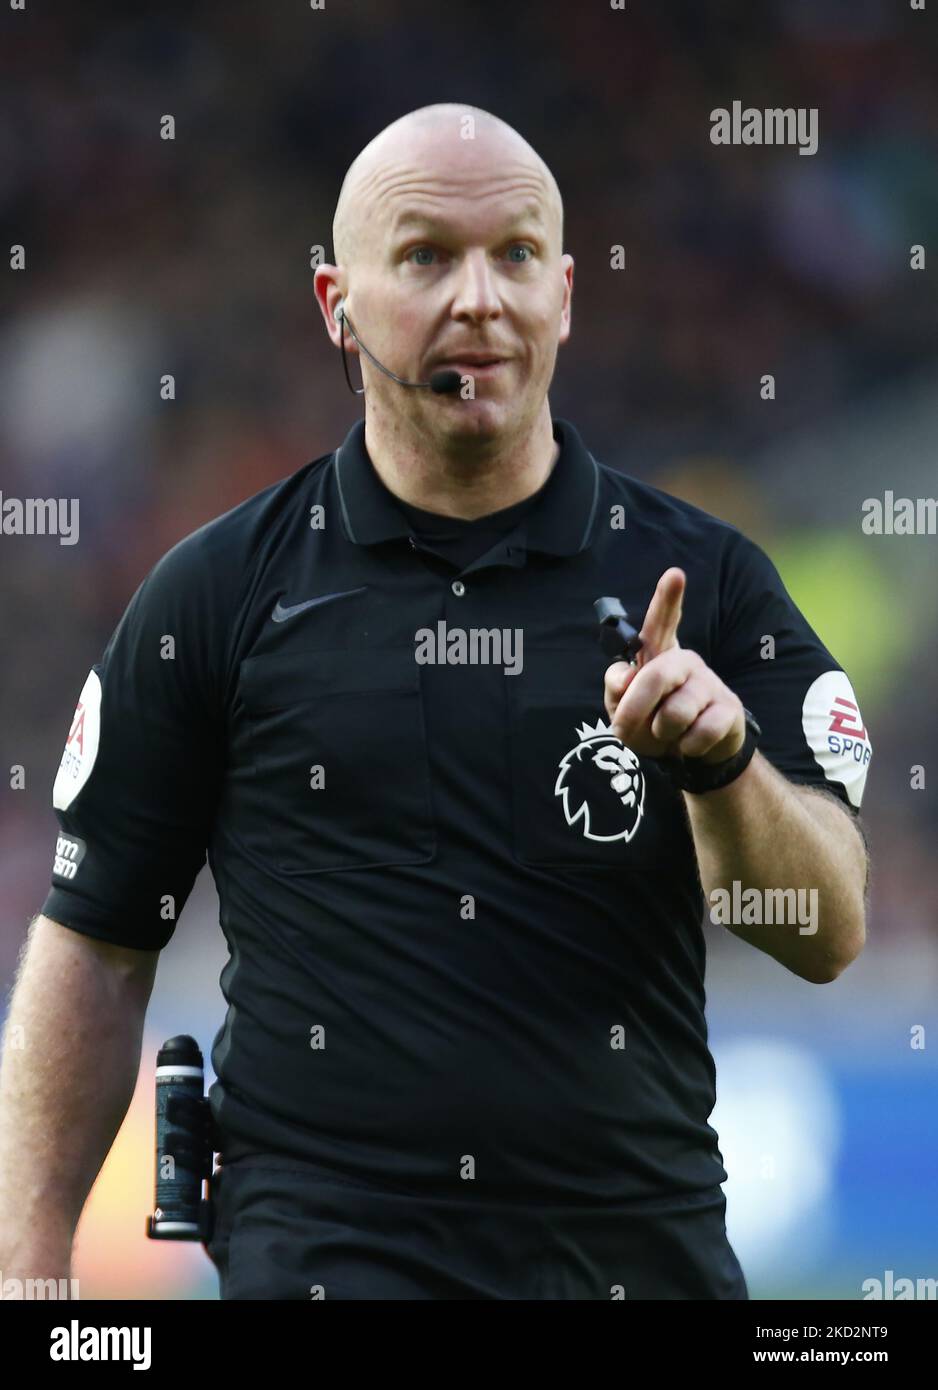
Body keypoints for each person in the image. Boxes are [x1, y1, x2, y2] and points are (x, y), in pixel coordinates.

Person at [0, 104, 871, 1300]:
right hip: (325, 1267)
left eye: (514, 255)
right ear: (335, 305)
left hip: (632, 1265)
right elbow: (96, 944)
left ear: (564, 294)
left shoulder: (706, 579)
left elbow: (826, 930)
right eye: (423, 256)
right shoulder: (216, 594)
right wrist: (31, 1268)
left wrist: (721, 767)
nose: (479, 298)